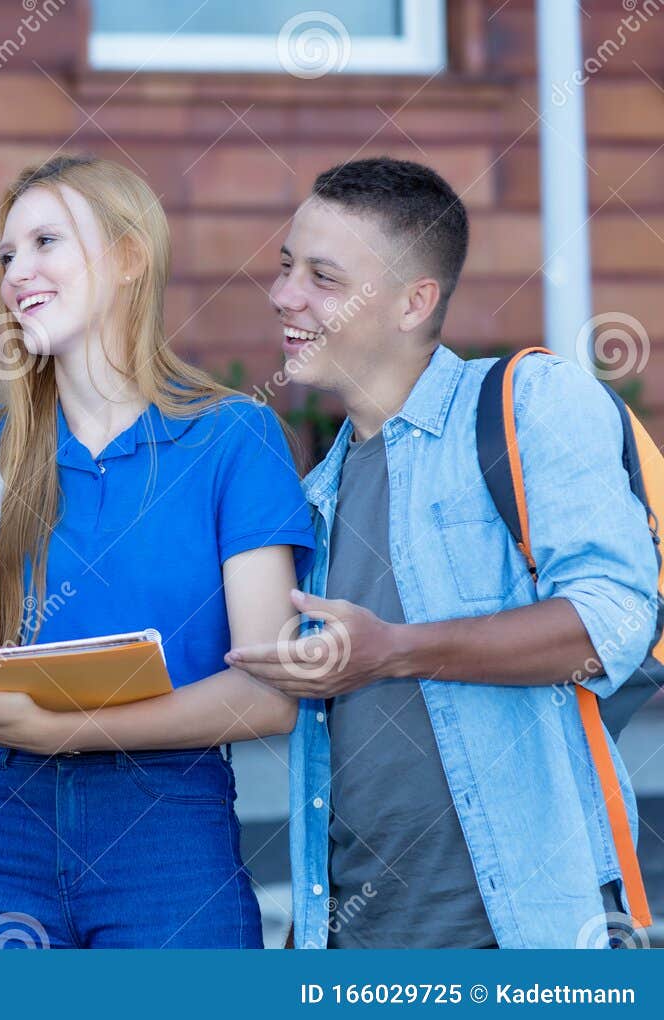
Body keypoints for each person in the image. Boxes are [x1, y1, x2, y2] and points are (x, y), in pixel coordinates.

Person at [226, 157, 657, 948]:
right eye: (287, 268)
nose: (285, 296)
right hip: (351, 941)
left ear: (413, 300)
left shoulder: (531, 402)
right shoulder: (318, 493)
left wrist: (394, 651)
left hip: (522, 933)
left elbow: (613, 616)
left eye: (324, 277)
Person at [0, 155, 315, 949]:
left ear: (129, 257)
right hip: (5, 831)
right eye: (8, 254)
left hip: (168, 834)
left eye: (46, 241)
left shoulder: (231, 437)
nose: (19, 272)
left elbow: (268, 695)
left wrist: (65, 728)